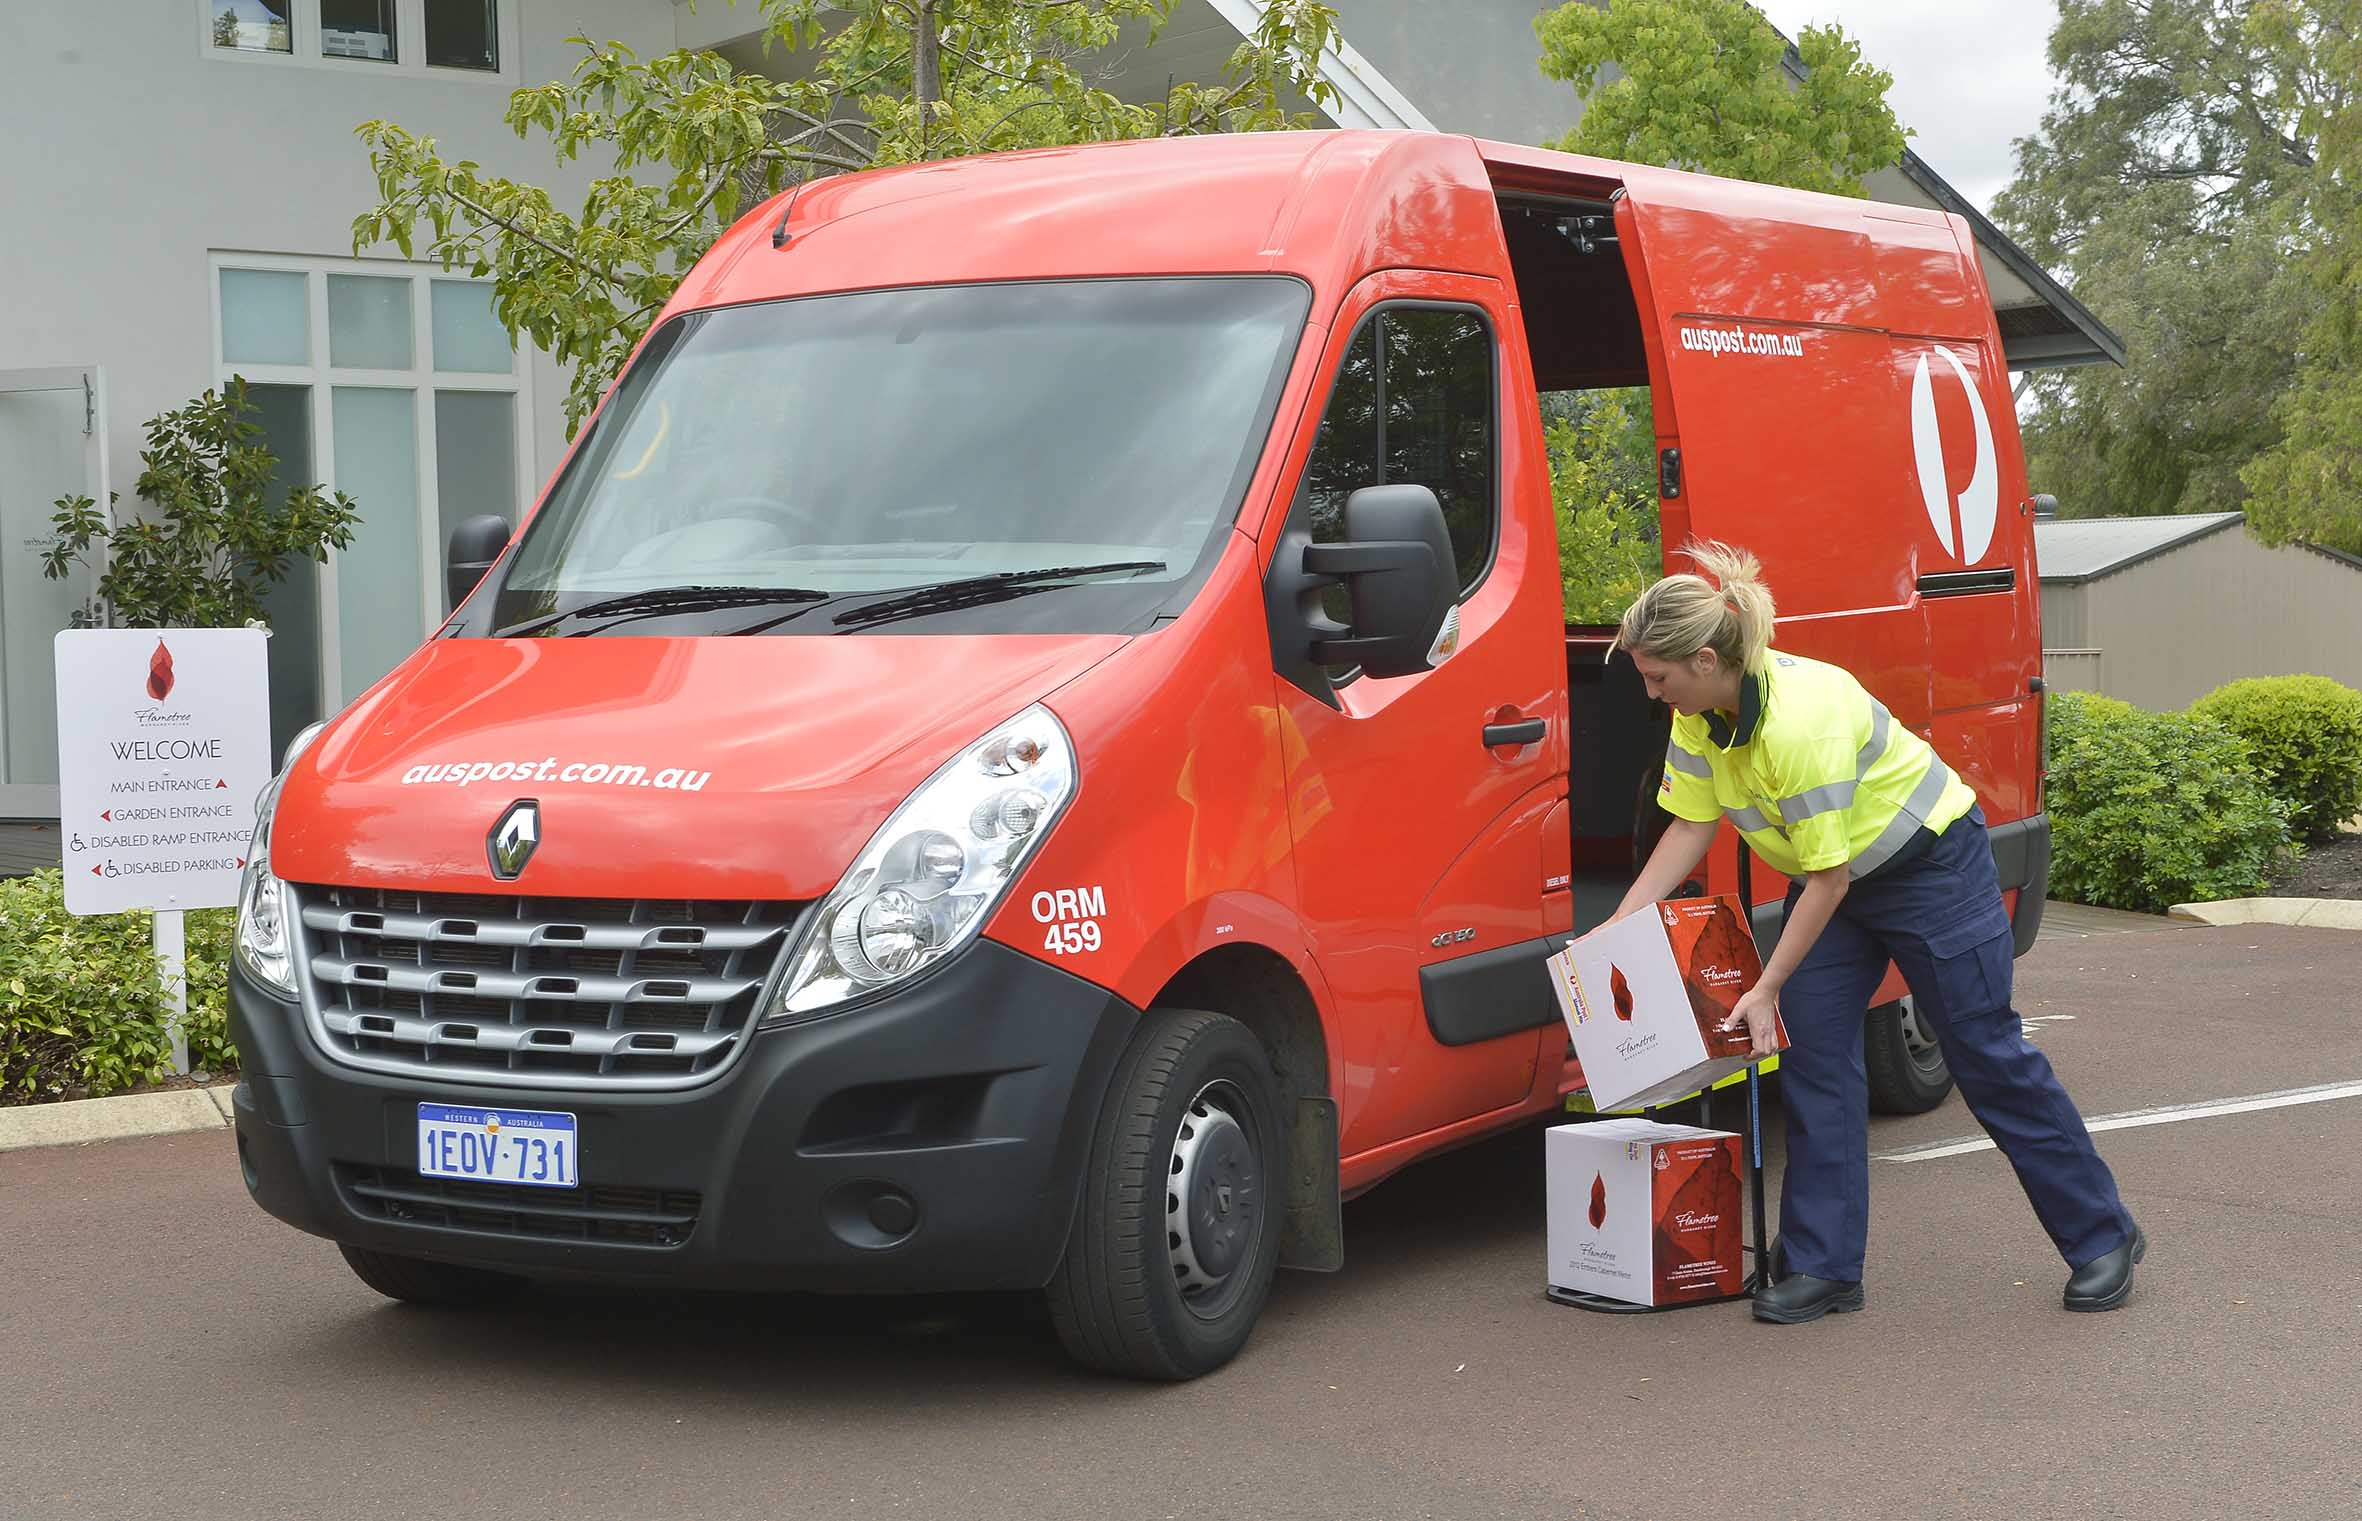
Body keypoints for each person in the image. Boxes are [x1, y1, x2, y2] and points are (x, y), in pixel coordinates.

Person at [1610, 541, 2143, 1323]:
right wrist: (1620, 925)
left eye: (1659, 677)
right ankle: (1826, 1267)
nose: (1654, 694)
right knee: (1817, 1052)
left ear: (1703, 657)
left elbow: (1828, 878)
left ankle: (2104, 1235)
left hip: (1932, 869)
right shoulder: (1702, 714)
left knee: (1984, 1052)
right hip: (1842, 884)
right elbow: (1691, 824)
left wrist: (1765, 986)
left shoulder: (1802, 721)